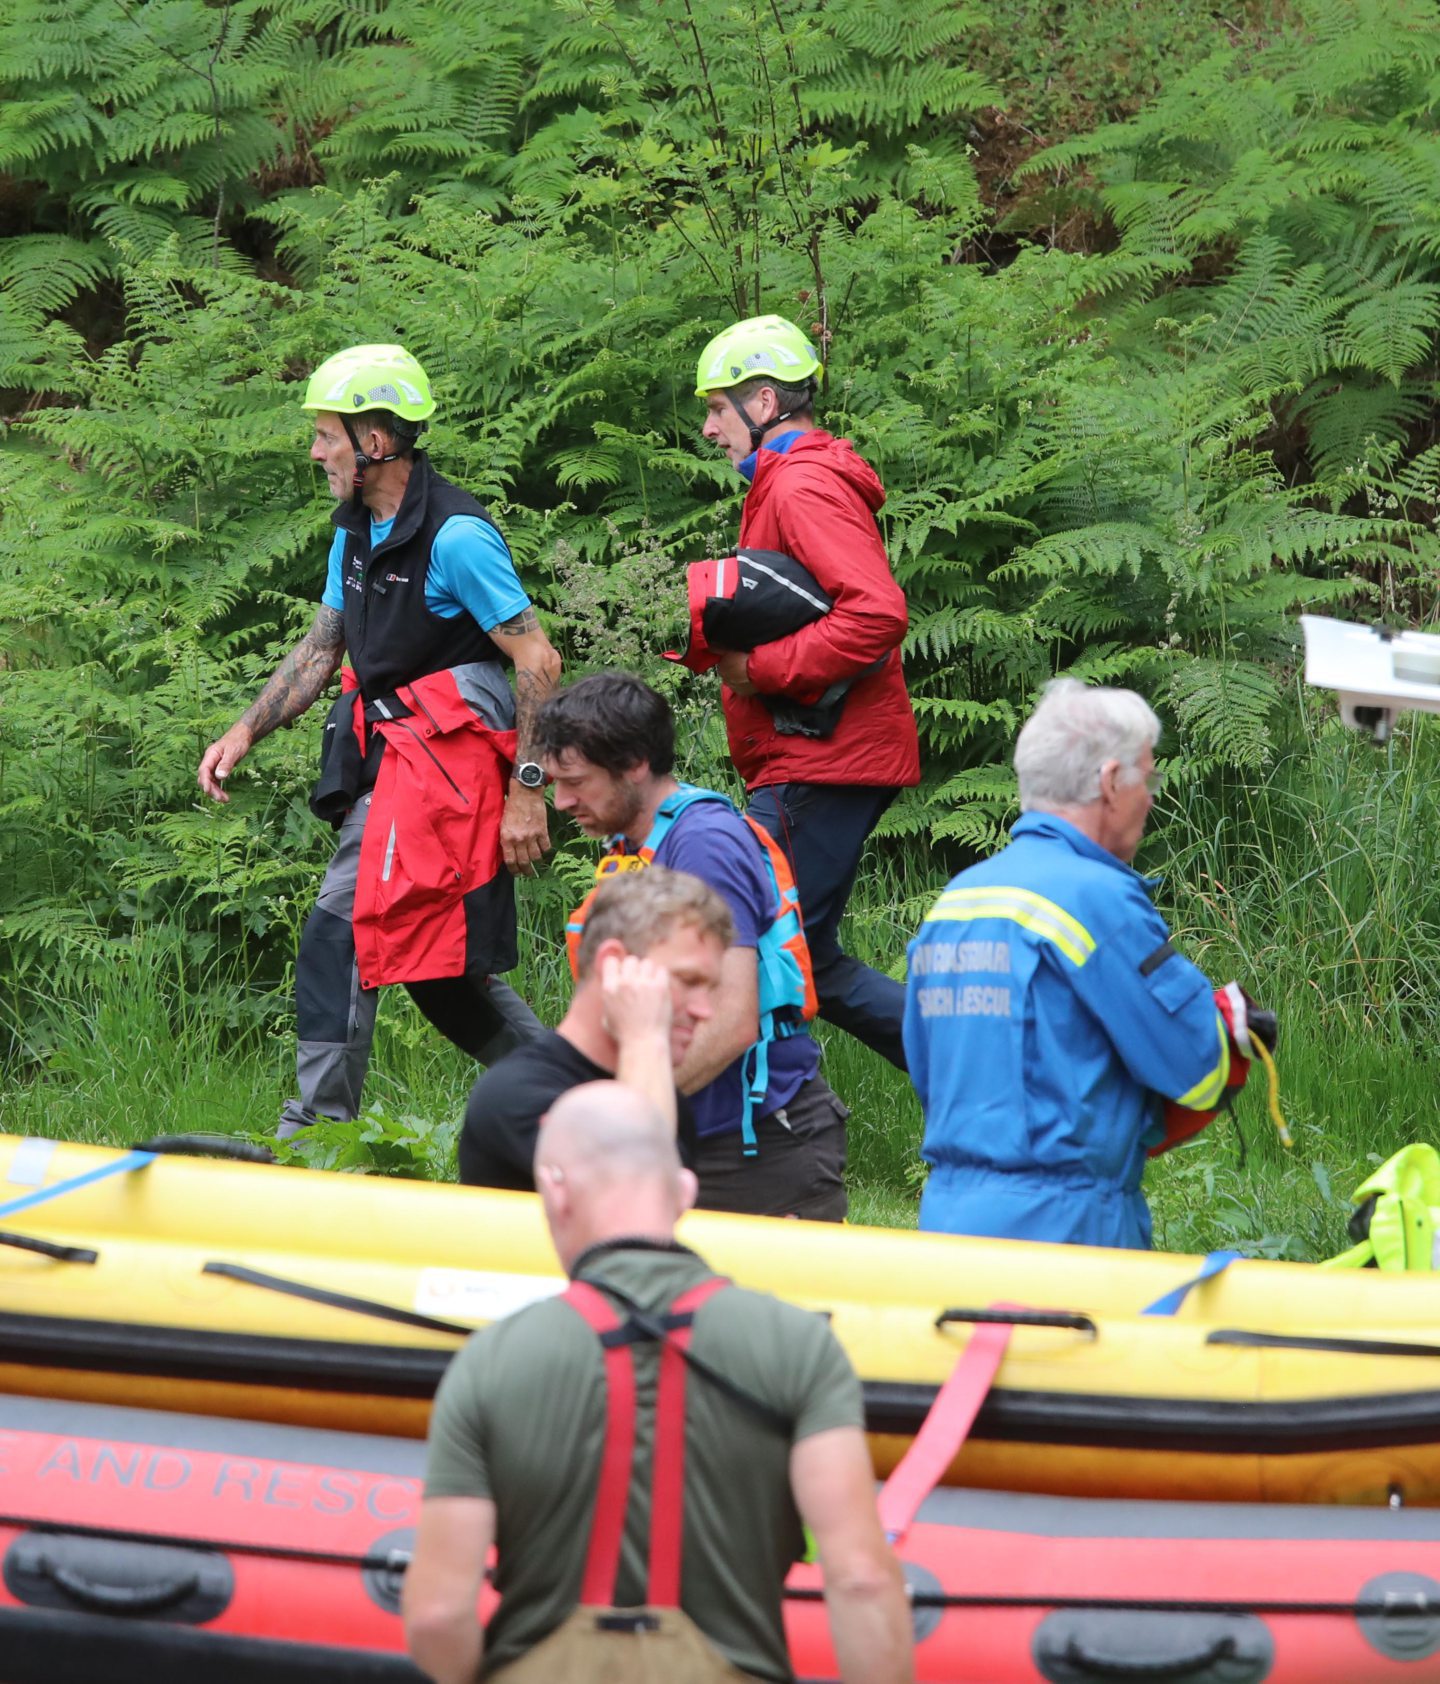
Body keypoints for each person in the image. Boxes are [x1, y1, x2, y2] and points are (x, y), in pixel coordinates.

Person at [404, 1082, 913, 1684]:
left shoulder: (491, 1360)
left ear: (555, 1191)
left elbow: (438, 1615)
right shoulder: (799, 1347)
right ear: (685, 1193)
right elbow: (861, 1579)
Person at [196, 345, 561, 1137]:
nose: (317, 451)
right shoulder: (355, 533)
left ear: (374, 441)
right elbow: (323, 648)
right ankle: (584, 1103)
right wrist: (244, 729)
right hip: (396, 767)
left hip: (450, 772)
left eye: (328, 435)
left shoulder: (458, 536)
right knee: (440, 976)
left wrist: (528, 792)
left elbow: (537, 657)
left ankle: (315, 1135)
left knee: (341, 925)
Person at [904, 678, 1269, 1250]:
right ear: (1109, 782)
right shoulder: (1099, 900)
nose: (1150, 797)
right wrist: (1237, 1028)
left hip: (948, 1224)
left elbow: (928, 1070)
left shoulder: (955, 902)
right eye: (1146, 777)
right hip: (1068, 1233)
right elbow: (1197, 1069)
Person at [535, 672, 848, 1221]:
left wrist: (621, 1116)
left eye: (576, 782)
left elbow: (731, 1021)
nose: (561, 802)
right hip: (698, 1131)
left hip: (758, 1152)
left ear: (634, 763)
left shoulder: (704, 844)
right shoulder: (633, 844)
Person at [694, 314, 921, 1072]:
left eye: (718, 408)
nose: (707, 428)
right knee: (801, 955)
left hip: (824, 763)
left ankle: (775, 1128)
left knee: (755, 944)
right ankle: (992, 1075)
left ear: (764, 403)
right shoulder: (783, 482)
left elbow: (878, 612)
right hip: (814, 758)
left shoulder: (802, 484)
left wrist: (761, 671)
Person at [460, 867, 732, 1189]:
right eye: (687, 981)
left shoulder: (663, 1101)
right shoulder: (517, 1096)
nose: (705, 1011)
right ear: (613, 964)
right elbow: (637, 1198)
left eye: (710, 988)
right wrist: (643, 1039)